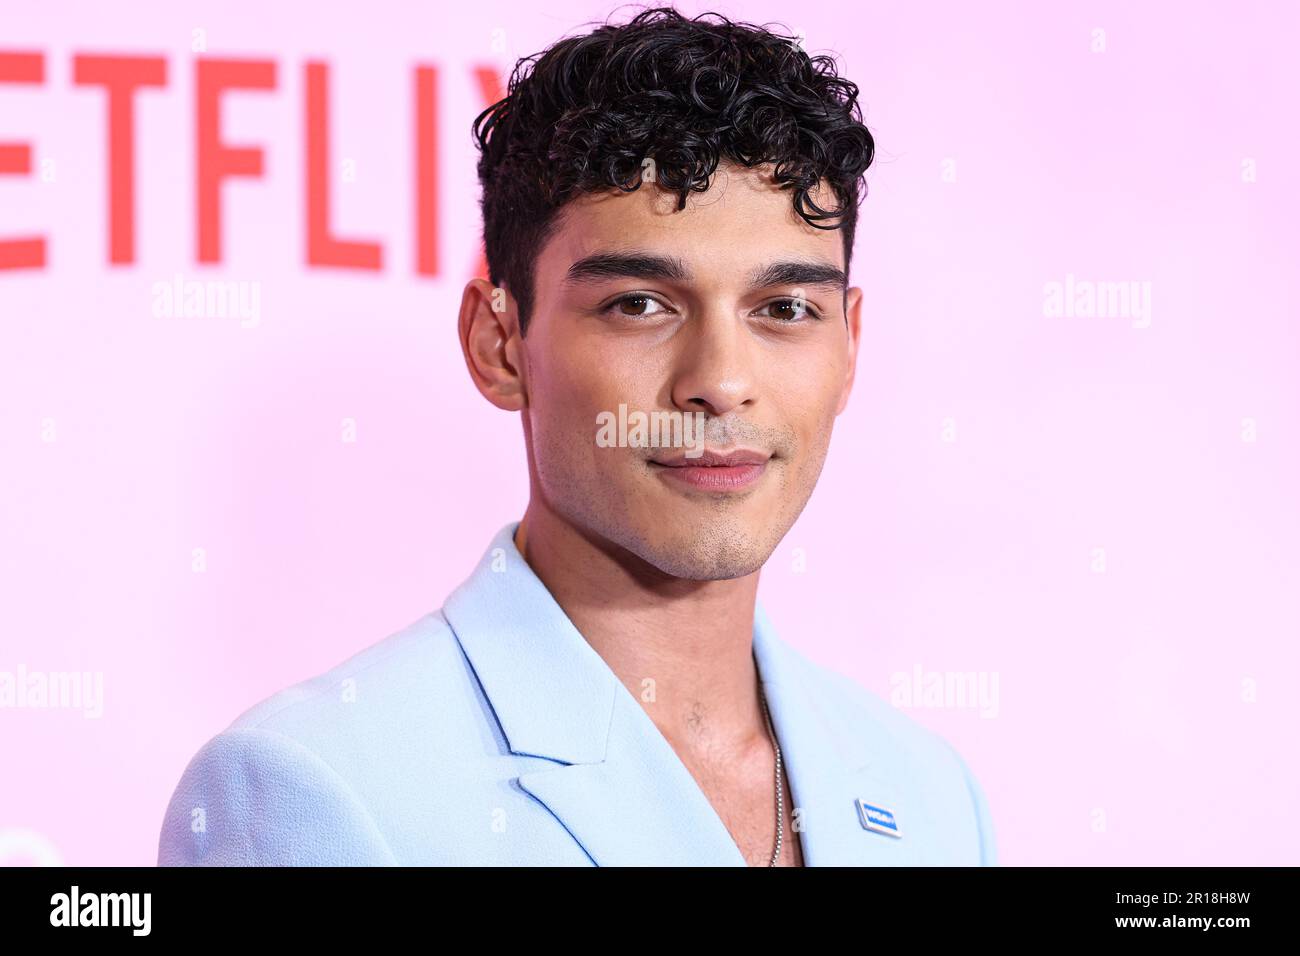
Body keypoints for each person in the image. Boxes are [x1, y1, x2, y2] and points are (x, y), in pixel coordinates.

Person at [158, 5, 997, 867]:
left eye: (785, 309)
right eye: (639, 305)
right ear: (499, 344)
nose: (720, 380)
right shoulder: (317, 791)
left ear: (849, 344)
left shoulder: (928, 796)